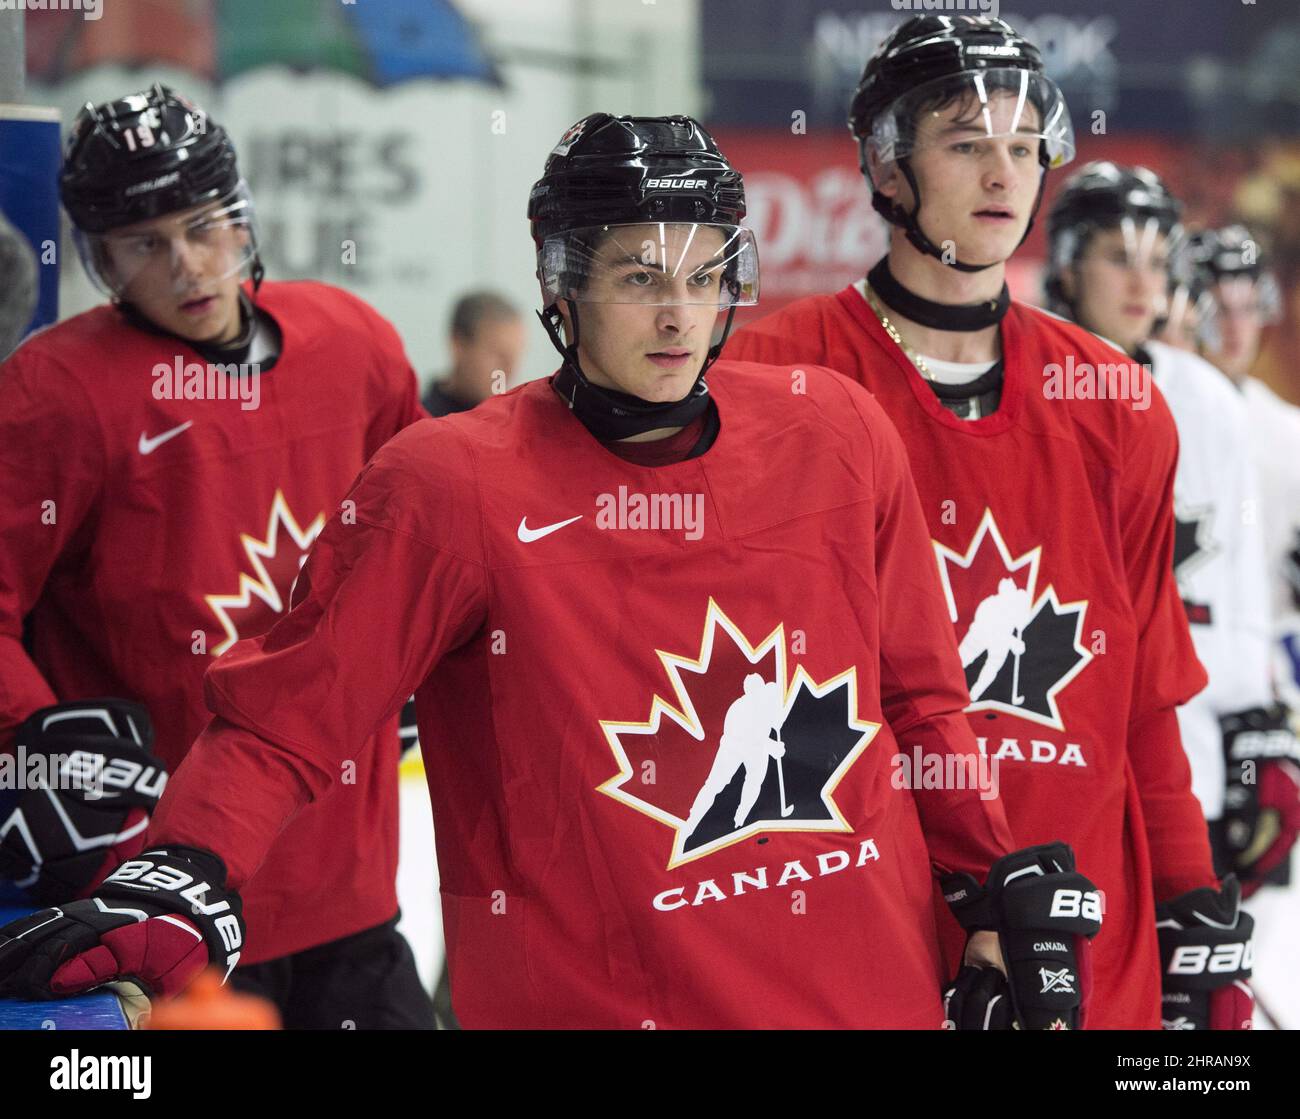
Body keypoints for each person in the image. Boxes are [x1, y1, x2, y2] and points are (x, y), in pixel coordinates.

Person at [0, 112, 1102, 1030]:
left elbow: (920, 699)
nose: (679, 313)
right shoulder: (450, 484)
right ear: (561, 288)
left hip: (866, 1000)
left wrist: (984, 882)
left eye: (706, 273)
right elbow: (289, 722)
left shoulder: (839, 431)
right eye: (637, 276)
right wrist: (182, 866)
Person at [724, 15, 1251, 1030]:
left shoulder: (1117, 402)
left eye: (1022, 145)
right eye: (966, 144)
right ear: (887, 171)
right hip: (862, 916)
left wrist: (1189, 897)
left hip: (1082, 923)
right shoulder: (770, 379)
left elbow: (1141, 695)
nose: (1004, 173)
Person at [0, 84, 432, 1028]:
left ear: (241, 216)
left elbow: (427, 542)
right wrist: (42, 742)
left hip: (350, 886)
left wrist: (418, 669)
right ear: (100, 259)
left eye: (204, 226)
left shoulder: (355, 343)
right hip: (154, 910)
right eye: (144, 243)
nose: (189, 265)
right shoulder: (56, 392)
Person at [1186, 225, 1300, 1029]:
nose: (1234, 327)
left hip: (1271, 712)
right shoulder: (1155, 407)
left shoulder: (1287, 436)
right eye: (1215, 307)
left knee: (1273, 933)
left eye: (1246, 307)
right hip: (1182, 710)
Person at [421, 291, 525, 417]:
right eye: (498, 355)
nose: (509, 370)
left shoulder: (516, 424)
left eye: (513, 357)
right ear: (458, 344)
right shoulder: (417, 426)